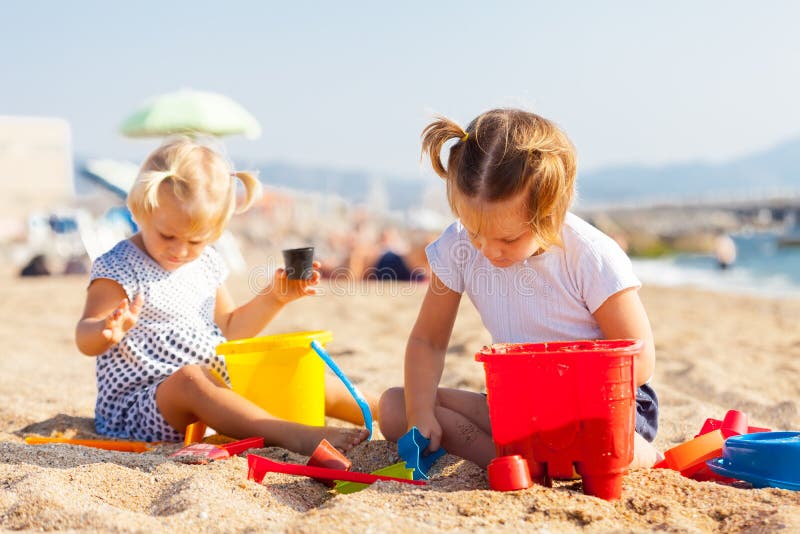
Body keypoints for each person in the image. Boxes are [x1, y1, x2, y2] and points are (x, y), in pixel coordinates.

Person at [378, 109, 661, 469]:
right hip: (517, 404)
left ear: (551, 212)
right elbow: (428, 341)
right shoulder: (460, 246)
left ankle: (640, 455)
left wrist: (559, 401)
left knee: (590, 445)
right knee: (393, 407)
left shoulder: (589, 255)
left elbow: (640, 359)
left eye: (508, 238)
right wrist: (419, 413)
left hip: (603, 404)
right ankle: (517, 461)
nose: (488, 249)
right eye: (474, 231)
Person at [75, 137, 369, 455]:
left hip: (212, 391)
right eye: (167, 235)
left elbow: (229, 329)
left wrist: (275, 298)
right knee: (191, 378)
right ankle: (290, 434)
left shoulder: (206, 263)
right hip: (141, 407)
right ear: (142, 211)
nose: (180, 250)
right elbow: (85, 335)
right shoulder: (119, 266)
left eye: (196, 240)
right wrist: (106, 330)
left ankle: (384, 410)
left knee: (290, 375)